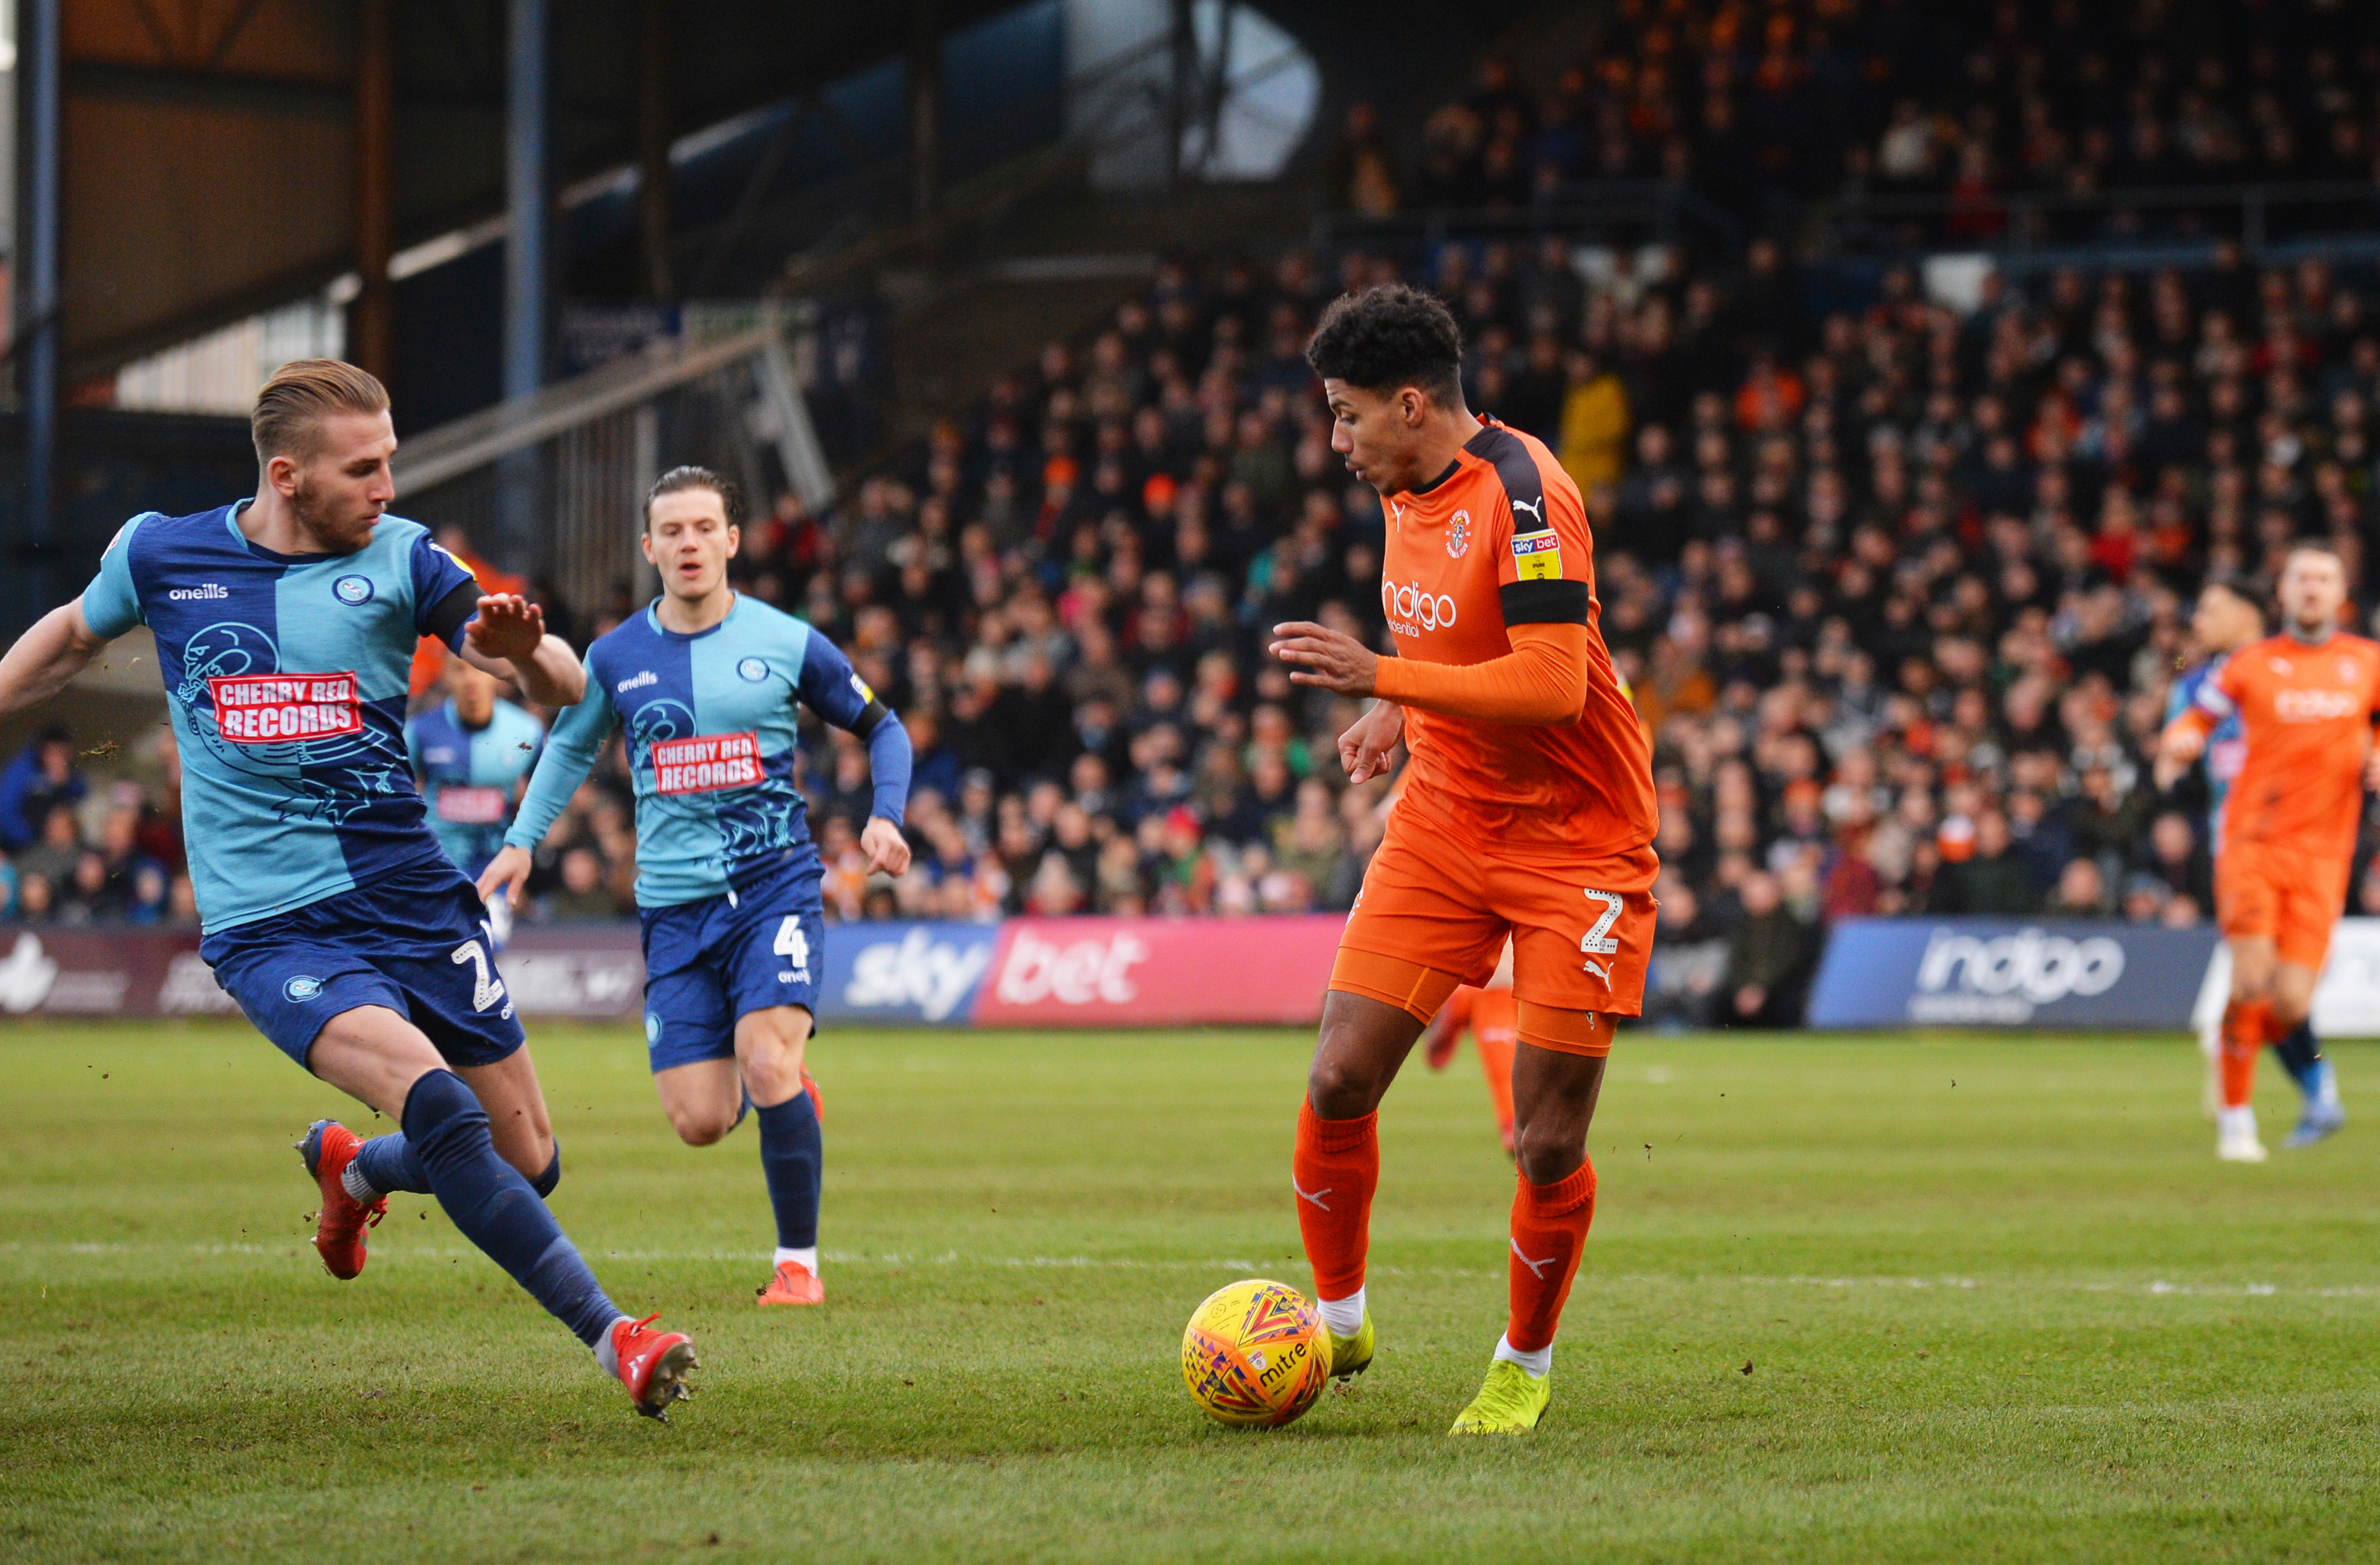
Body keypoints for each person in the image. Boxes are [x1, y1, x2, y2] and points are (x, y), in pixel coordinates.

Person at [0, 359, 697, 1419]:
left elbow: (554, 681)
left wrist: (528, 655)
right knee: (444, 1108)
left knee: (528, 1161)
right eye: (363, 467)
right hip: (275, 926)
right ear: (287, 476)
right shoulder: (159, 552)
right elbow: (67, 638)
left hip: (414, 898)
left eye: (391, 462)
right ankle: (616, 1336)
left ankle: (358, 1171)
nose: (385, 485)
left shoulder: (407, 557)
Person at [1269, 285, 1658, 1434]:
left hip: (1576, 842)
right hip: (1445, 819)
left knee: (1545, 1139)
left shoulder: (1528, 494)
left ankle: (1521, 1364)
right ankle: (1337, 1323)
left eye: (1345, 417)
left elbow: (1549, 682)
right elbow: (1454, 626)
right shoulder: (1407, 483)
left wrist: (1379, 678)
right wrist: (1405, 713)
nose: (1336, 441)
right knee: (1339, 1074)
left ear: (1408, 405)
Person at [479, 466, 913, 1308]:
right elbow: (570, 748)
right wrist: (522, 843)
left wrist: (885, 813)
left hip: (774, 886)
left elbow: (881, 724)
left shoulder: (786, 640)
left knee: (764, 1060)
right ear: (649, 547)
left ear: (732, 541)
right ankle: (781, 1087)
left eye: (703, 527)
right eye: (670, 530)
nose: (688, 542)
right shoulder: (615, 655)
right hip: (674, 908)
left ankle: (799, 1264)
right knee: (700, 1121)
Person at [2160, 546, 2380, 1163]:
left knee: (2291, 1002)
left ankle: (2308, 1085)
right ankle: (2236, 1121)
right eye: (2302, 577)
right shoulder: (2249, 665)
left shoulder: (2367, 662)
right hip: (2253, 844)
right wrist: (2179, 738)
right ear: (2281, 592)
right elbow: (2200, 717)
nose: (2313, 587)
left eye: (2325, 577)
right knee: (2251, 978)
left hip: (2325, 855)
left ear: (2342, 592)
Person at [405, 657, 546, 943]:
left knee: (486, 945)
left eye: (480, 670)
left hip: (495, 865)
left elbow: (549, 792)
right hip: (437, 865)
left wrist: (526, 844)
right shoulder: (421, 732)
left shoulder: (526, 733)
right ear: (446, 677)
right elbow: (394, 791)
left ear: (496, 676)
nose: (471, 679)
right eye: (460, 670)